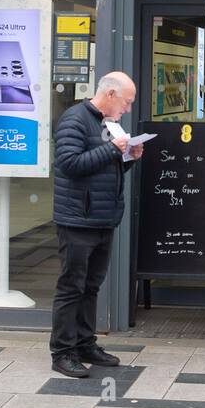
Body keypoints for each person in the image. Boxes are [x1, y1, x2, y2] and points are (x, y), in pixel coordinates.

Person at [50, 70, 144, 378]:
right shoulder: (74, 119)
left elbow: (105, 171)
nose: (127, 109)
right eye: (127, 102)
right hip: (77, 218)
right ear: (111, 94)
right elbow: (69, 164)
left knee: (91, 286)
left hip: (103, 217)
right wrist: (112, 149)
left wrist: (129, 158)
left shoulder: (108, 123)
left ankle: (85, 343)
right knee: (71, 286)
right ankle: (62, 352)